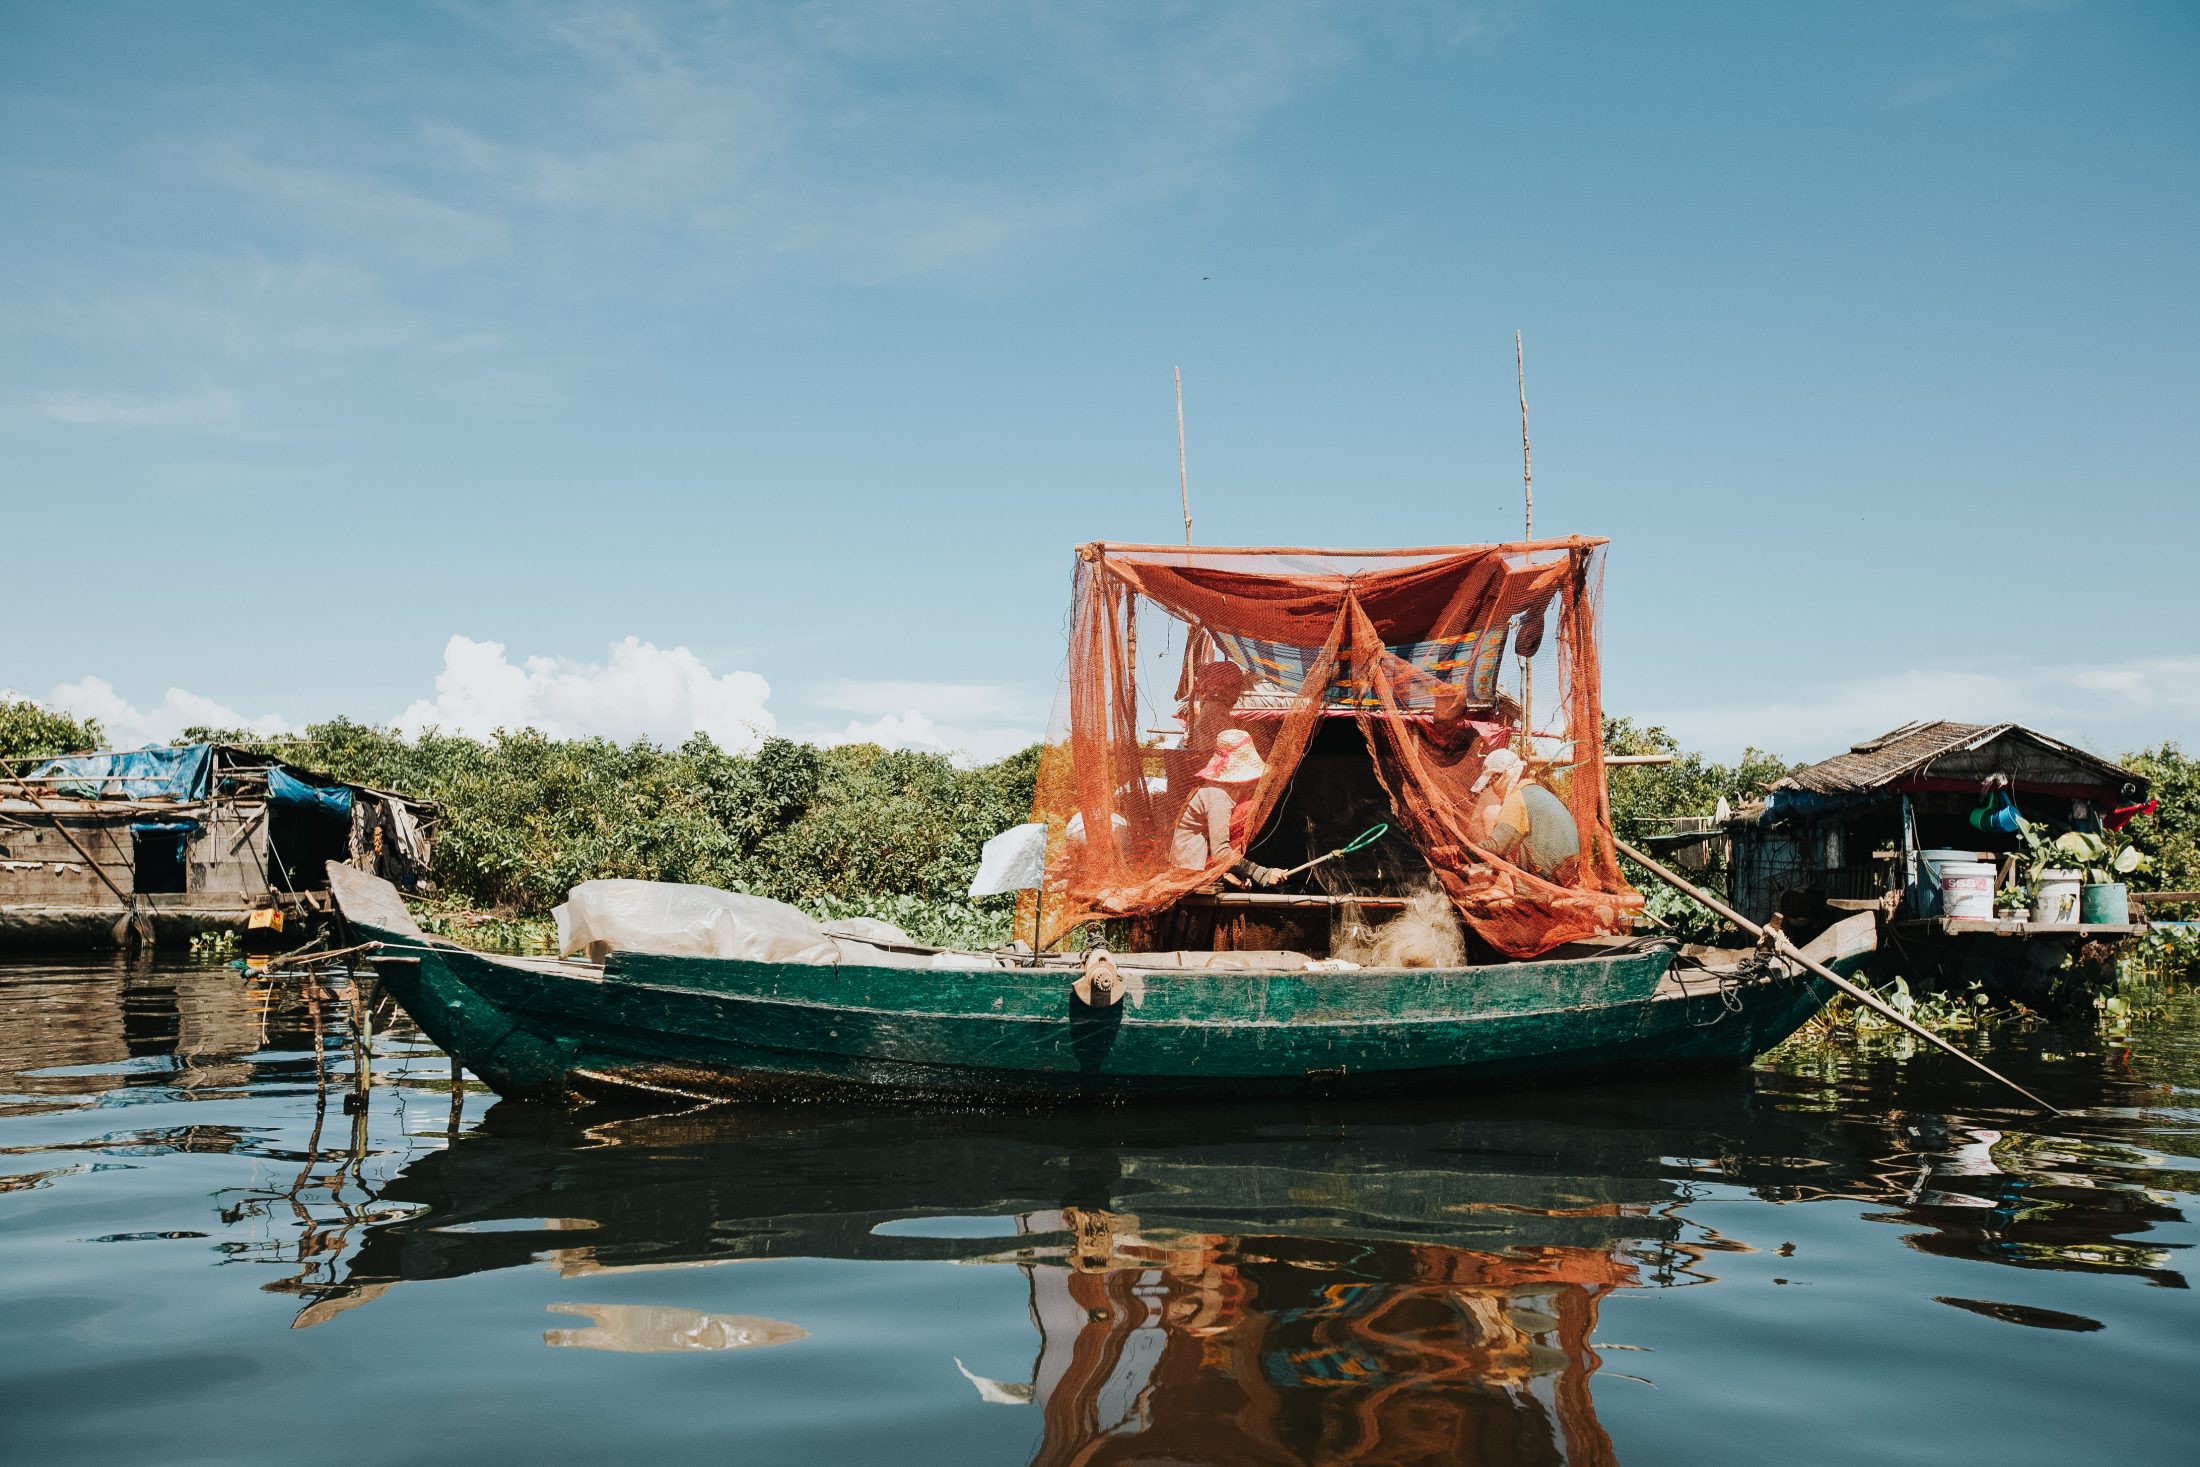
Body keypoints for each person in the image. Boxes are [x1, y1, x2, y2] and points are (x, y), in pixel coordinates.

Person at [1171, 729, 1287, 887]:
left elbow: (1212, 845)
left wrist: (1232, 874)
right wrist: (1261, 872)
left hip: (1201, 865)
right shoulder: (1218, 796)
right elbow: (1220, 853)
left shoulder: (1224, 792)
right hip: (1189, 872)